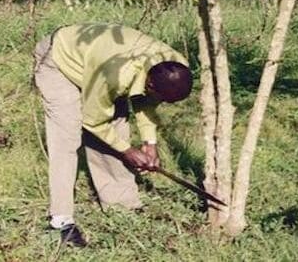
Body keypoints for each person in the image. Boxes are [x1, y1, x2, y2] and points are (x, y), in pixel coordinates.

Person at [32, 23, 192, 247]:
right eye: (161, 97)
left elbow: (147, 102)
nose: (162, 103)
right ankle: (61, 222)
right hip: (61, 61)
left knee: (115, 129)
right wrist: (127, 150)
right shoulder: (117, 75)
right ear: (150, 82)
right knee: (67, 136)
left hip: (97, 62)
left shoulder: (174, 64)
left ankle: (122, 207)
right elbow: (93, 120)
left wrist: (150, 142)